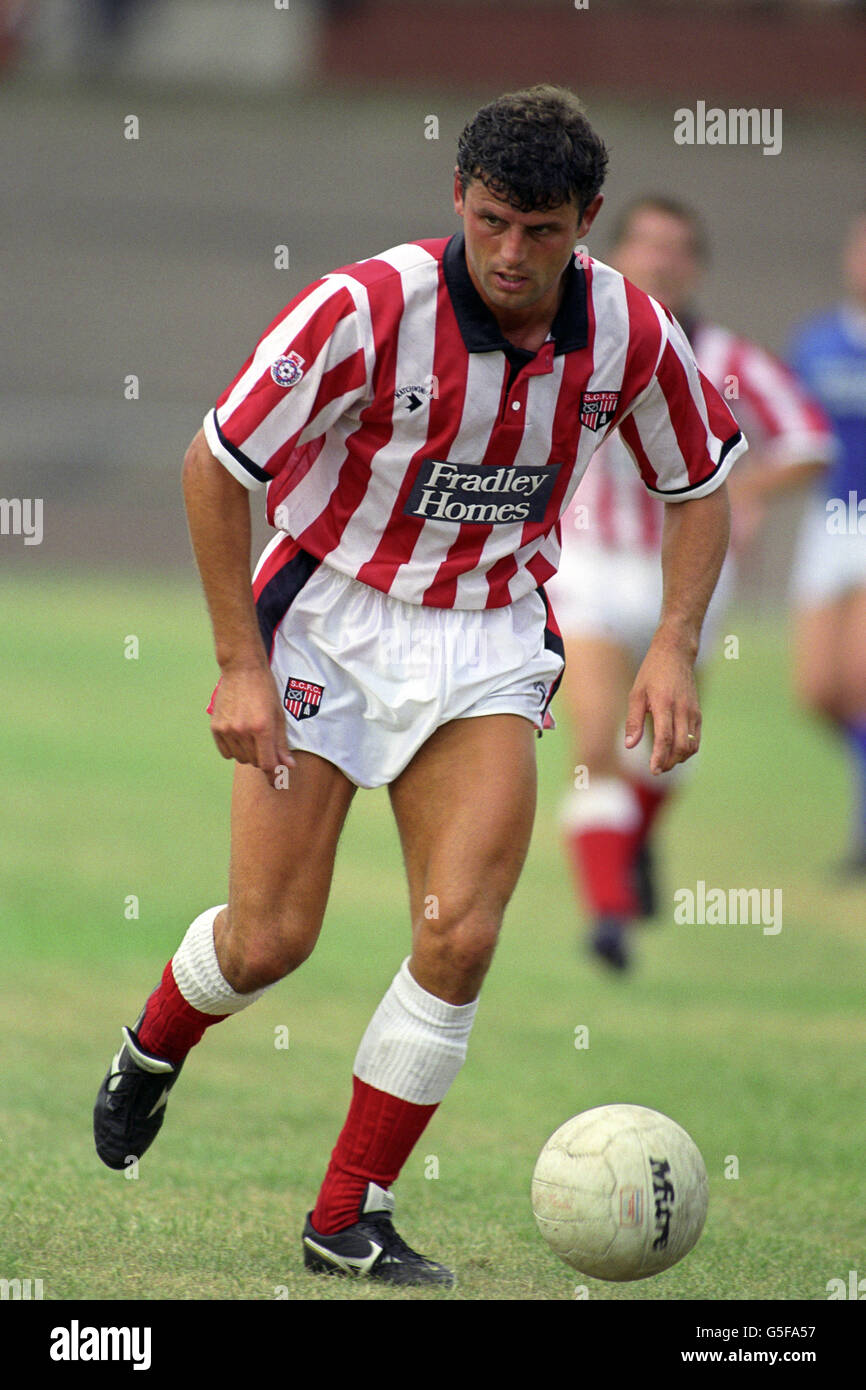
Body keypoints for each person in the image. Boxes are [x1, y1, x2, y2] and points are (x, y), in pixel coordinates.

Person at [93, 87, 745, 1287]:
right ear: (457, 199)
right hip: (326, 625)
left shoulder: (629, 330)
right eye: (492, 221)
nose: (510, 253)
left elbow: (699, 480)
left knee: (462, 935)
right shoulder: (360, 308)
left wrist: (673, 641)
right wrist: (239, 663)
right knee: (271, 938)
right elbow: (214, 459)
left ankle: (346, 1215)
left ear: (583, 221)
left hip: (487, 637)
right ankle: (153, 1044)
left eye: (541, 231)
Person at [546, 196, 834, 969]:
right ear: (612, 257)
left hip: (691, 577)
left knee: (668, 743)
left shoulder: (732, 361)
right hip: (594, 568)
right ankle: (608, 918)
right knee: (599, 741)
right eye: (645, 245)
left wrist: (748, 490)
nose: (661, 260)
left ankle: (632, 843)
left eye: (676, 249)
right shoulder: (577, 339)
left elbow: (811, 439)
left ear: (695, 265)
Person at [788, 212, 866, 874]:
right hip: (828, 522)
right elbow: (794, 435)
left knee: (861, 680)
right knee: (817, 689)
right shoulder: (815, 343)